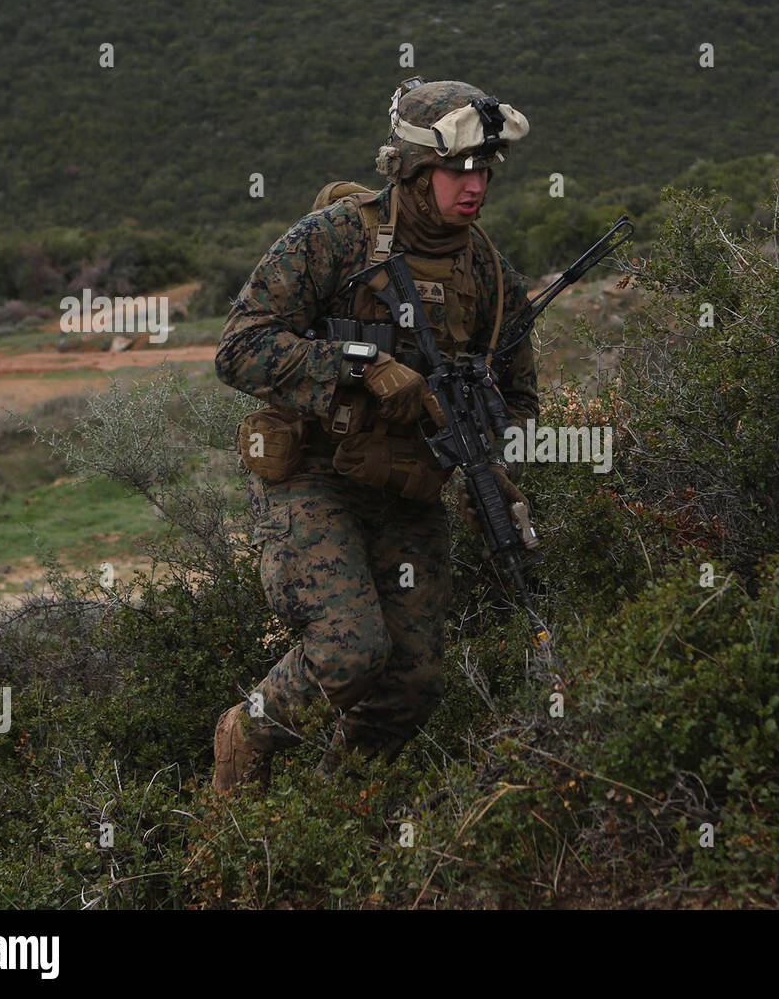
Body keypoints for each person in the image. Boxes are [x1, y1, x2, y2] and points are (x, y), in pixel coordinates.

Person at [212, 78, 538, 792]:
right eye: (459, 170)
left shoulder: (489, 274)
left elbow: (519, 397)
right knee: (350, 648)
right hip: (318, 478)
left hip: (414, 491)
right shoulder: (335, 238)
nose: (475, 184)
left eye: (485, 169)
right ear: (416, 173)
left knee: (413, 684)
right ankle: (247, 734)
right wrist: (359, 364)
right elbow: (238, 347)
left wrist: (499, 462)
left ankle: (333, 815)